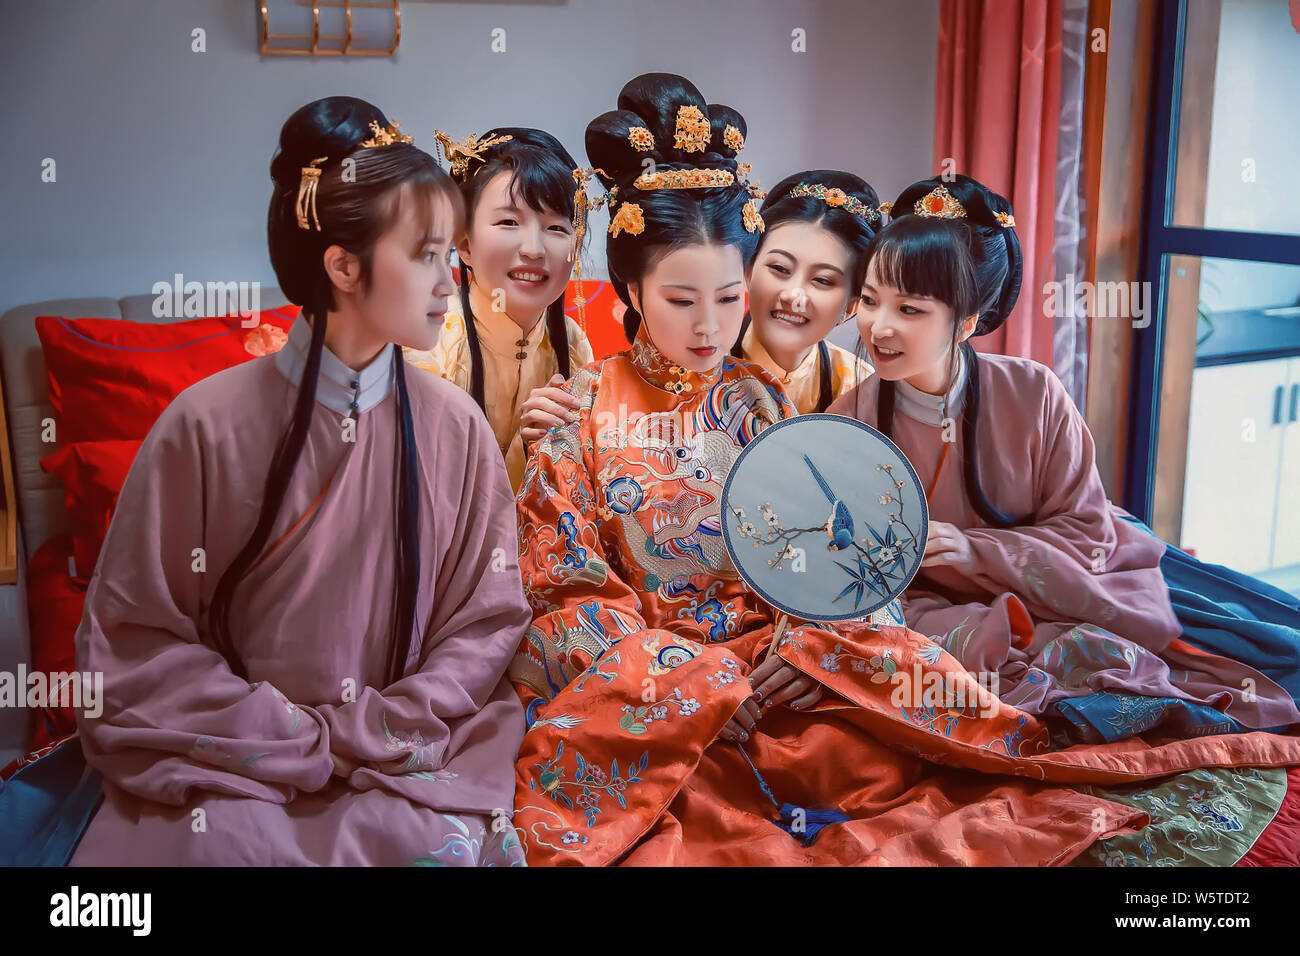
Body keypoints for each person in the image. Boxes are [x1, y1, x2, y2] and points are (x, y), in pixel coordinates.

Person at [71, 97, 530, 866]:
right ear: (344, 266)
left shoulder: (456, 427)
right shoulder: (203, 425)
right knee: (219, 849)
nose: (453, 280)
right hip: (233, 762)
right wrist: (285, 738)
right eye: (425, 254)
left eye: (451, 253)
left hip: (400, 756)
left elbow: (485, 623)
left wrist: (370, 732)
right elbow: (137, 637)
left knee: (427, 843)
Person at [828, 174, 1300, 738]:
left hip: (1075, 584)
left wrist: (976, 550)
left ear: (969, 321)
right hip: (943, 610)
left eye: (909, 309)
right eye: (870, 301)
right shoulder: (848, 419)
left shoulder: (1033, 392)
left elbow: (1090, 533)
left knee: (1263, 643)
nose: (878, 327)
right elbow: (846, 569)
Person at [407, 127, 594, 491]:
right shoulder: (425, 339)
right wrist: (527, 452)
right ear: (464, 243)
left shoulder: (572, 343)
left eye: (557, 227)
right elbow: (415, 492)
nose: (534, 250)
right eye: (509, 222)